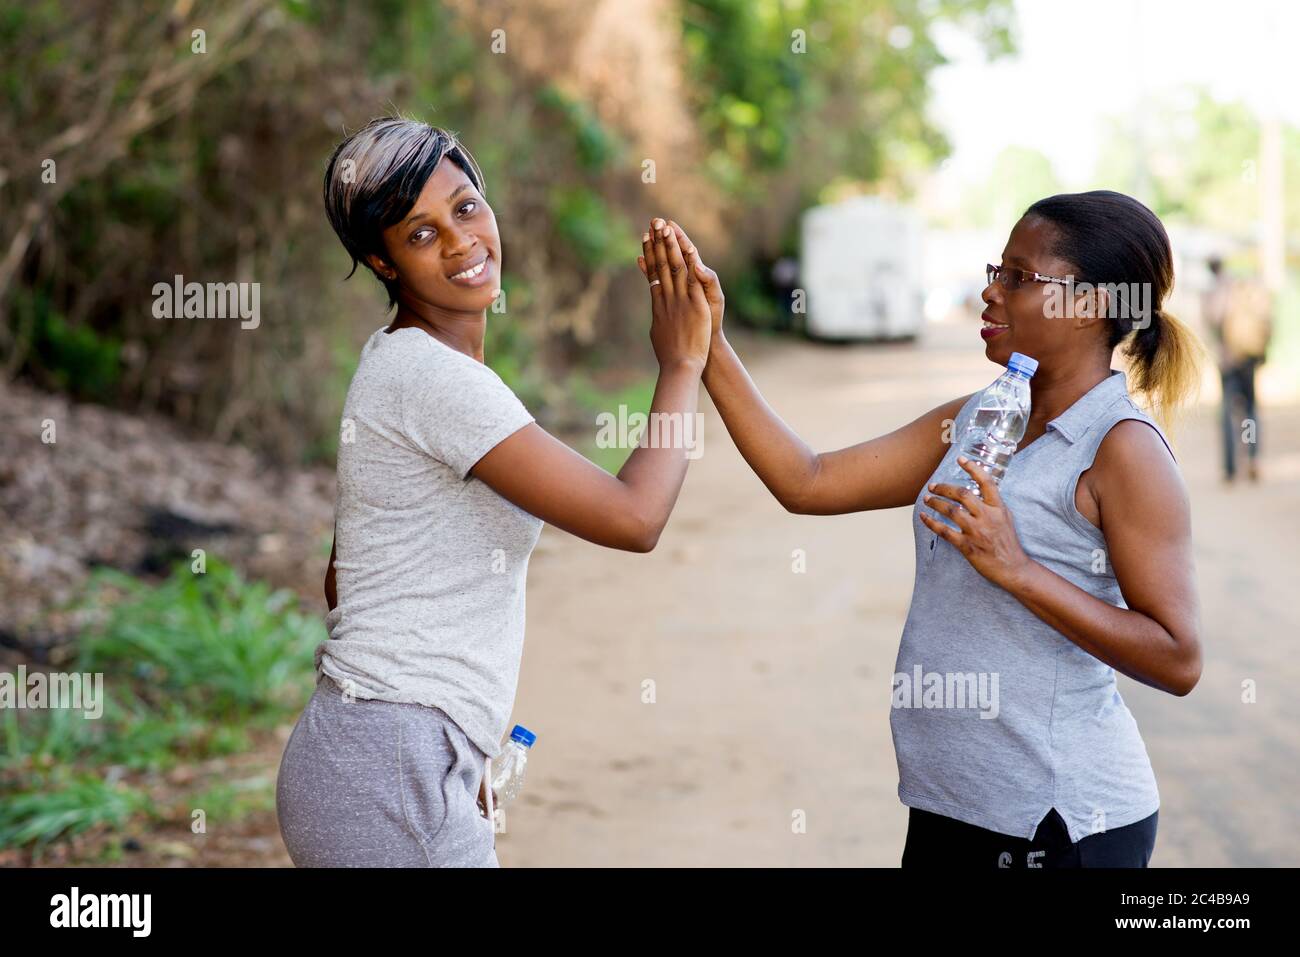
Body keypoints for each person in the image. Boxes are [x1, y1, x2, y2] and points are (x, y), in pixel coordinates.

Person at [642, 190, 1204, 868]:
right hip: (952, 807)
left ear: (1088, 305)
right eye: (996, 272)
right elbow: (809, 479)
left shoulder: (1121, 449)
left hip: (1058, 824)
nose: (989, 294)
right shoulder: (974, 418)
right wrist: (710, 345)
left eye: (1018, 278)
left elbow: (1178, 657)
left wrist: (1019, 569)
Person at [275, 117, 712, 867]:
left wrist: (453, 746)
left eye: (466, 207)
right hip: (387, 769)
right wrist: (680, 365)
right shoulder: (433, 379)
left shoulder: (407, 366)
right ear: (382, 262)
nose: (459, 241)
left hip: (387, 762)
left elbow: (343, 578)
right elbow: (635, 517)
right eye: (420, 234)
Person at [1201, 256, 1273, 482]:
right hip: (1249, 357)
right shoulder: (1246, 290)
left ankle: (1230, 466)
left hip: (1227, 360)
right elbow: (1267, 322)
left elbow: (1212, 321)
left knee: (1227, 412)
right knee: (1249, 411)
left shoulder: (1216, 291)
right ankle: (1251, 456)